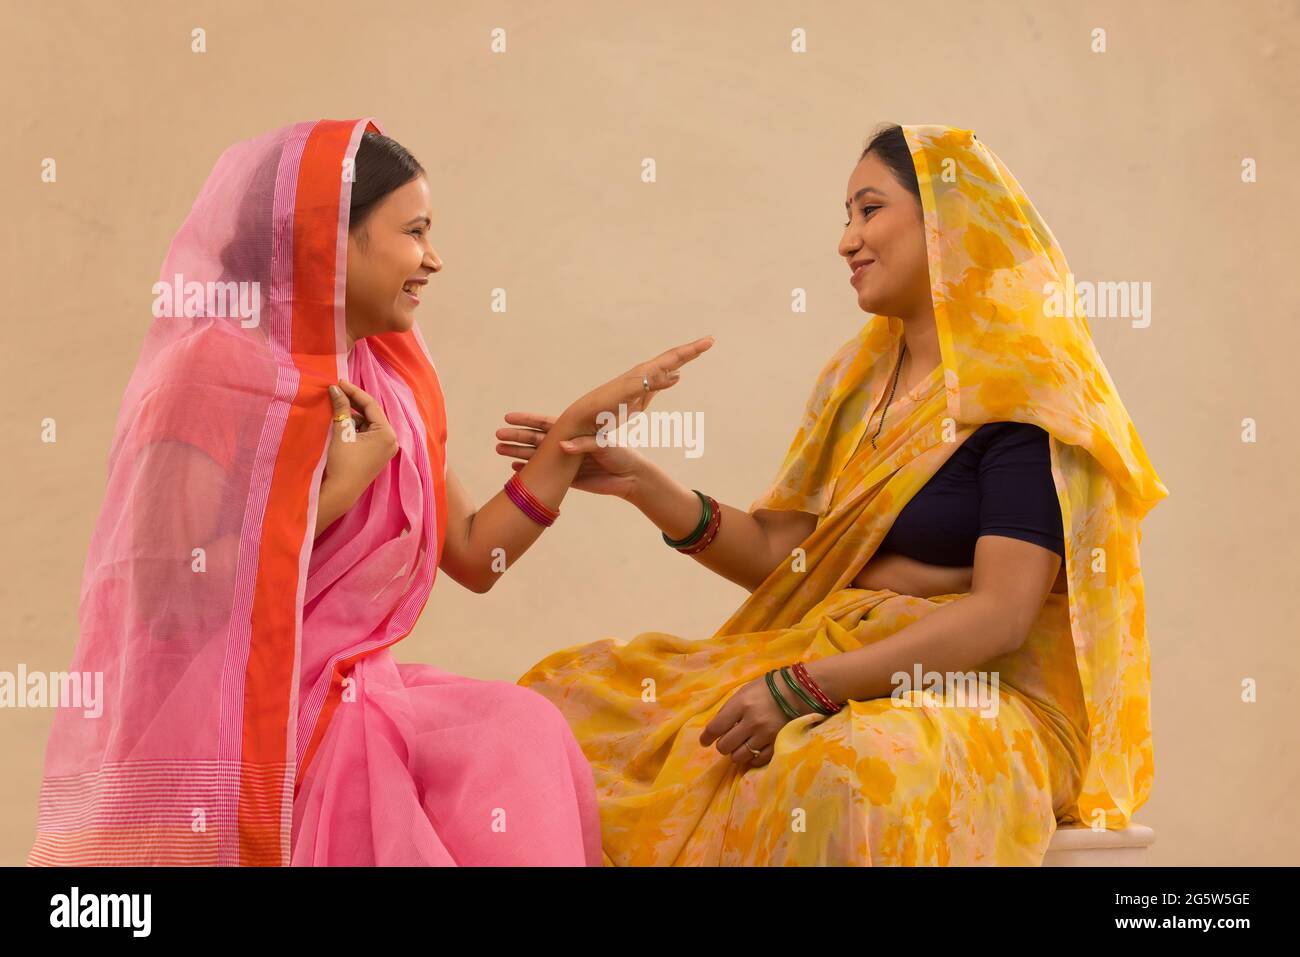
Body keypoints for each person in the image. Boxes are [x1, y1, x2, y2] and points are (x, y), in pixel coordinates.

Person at [27, 117, 711, 866]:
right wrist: (333, 493)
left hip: (354, 692)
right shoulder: (211, 370)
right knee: (397, 785)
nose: (434, 259)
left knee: (516, 731)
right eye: (415, 231)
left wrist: (568, 438)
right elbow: (164, 590)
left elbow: (477, 557)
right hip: (239, 718)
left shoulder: (386, 375)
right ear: (331, 238)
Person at [503, 124, 1169, 865]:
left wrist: (803, 687)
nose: (847, 240)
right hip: (834, 663)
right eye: (846, 216)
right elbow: (789, 561)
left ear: (948, 220)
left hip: (991, 699)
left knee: (845, 768)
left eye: (869, 209)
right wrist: (640, 484)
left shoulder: (1024, 395)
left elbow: (1002, 614)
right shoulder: (855, 387)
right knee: (570, 697)